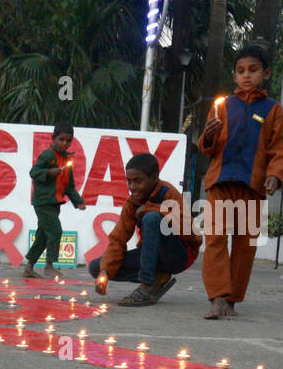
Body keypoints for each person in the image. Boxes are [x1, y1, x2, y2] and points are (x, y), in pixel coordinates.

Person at [198, 43, 283, 319]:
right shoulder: (223, 106)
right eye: (240, 71)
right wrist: (210, 135)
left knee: (245, 246)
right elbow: (207, 148)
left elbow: (280, 147)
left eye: (253, 70)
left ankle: (232, 299)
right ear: (235, 75)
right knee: (215, 239)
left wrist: (274, 175)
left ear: (267, 73)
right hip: (220, 183)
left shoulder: (273, 110)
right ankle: (216, 297)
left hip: (252, 187)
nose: (246, 76)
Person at [87, 152, 197, 306]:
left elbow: (192, 234)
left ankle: (147, 286)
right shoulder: (132, 203)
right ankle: (158, 277)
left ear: (154, 177)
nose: (132, 187)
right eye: (129, 181)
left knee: (152, 218)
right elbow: (118, 239)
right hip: (151, 256)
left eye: (138, 181)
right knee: (96, 267)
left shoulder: (169, 193)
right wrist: (105, 271)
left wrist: (153, 209)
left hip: (179, 256)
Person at [23, 120, 87, 279]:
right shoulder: (48, 155)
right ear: (54, 138)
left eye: (68, 140)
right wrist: (49, 172)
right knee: (55, 231)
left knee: (44, 235)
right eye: (62, 139)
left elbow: (69, 186)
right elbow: (34, 172)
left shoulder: (67, 161)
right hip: (43, 202)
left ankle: (29, 267)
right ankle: (49, 266)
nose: (65, 143)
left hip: (54, 203)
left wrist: (77, 201)